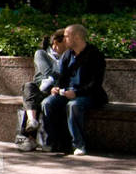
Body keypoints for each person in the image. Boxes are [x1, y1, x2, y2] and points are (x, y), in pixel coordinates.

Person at [40, 23, 108, 156]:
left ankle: (79, 144)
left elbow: (95, 83)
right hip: (67, 92)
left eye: (66, 36)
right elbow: (62, 77)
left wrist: (76, 93)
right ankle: (51, 142)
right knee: (47, 103)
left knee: (74, 105)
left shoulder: (95, 55)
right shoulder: (67, 55)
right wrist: (56, 87)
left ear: (76, 37)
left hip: (89, 94)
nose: (64, 40)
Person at [16, 29, 66, 151]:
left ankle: (27, 138)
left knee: (30, 102)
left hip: (56, 91)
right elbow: (47, 72)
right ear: (56, 42)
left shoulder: (68, 56)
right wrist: (61, 75)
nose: (68, 45)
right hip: (41, 89)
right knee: (29, 86)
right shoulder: (41, 53)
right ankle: (32, 121)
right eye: (65, 42)